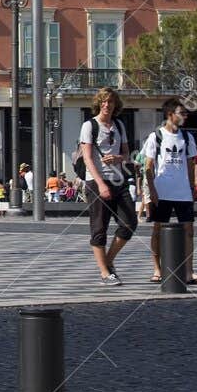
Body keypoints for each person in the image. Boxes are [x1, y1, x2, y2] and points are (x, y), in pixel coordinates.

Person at [144, 98, 197, 286]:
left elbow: (190, 164)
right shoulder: (155, 136)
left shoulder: (187, 137)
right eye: (182, 113)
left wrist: (192, 187)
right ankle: (157, 269)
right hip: (161, 190)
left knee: (189, 230)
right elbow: (148, 166)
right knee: (158, 229)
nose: (185, 116)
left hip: (182, 192)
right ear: (170, 115)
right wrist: (152, 191)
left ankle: (189, 271)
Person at [80, 86, 136, 287]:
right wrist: (101, 184)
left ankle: (109, 260)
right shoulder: (89, 126)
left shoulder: (119, 125)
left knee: (130, 221)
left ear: (115, 104)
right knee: (99, 228)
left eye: (110, 101)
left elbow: (127, 154)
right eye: (103, 101)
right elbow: (87, 157)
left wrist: (119, 158)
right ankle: (105, 272)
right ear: (98, 104)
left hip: (119, 180)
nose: (107, 105)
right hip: (97, 181)